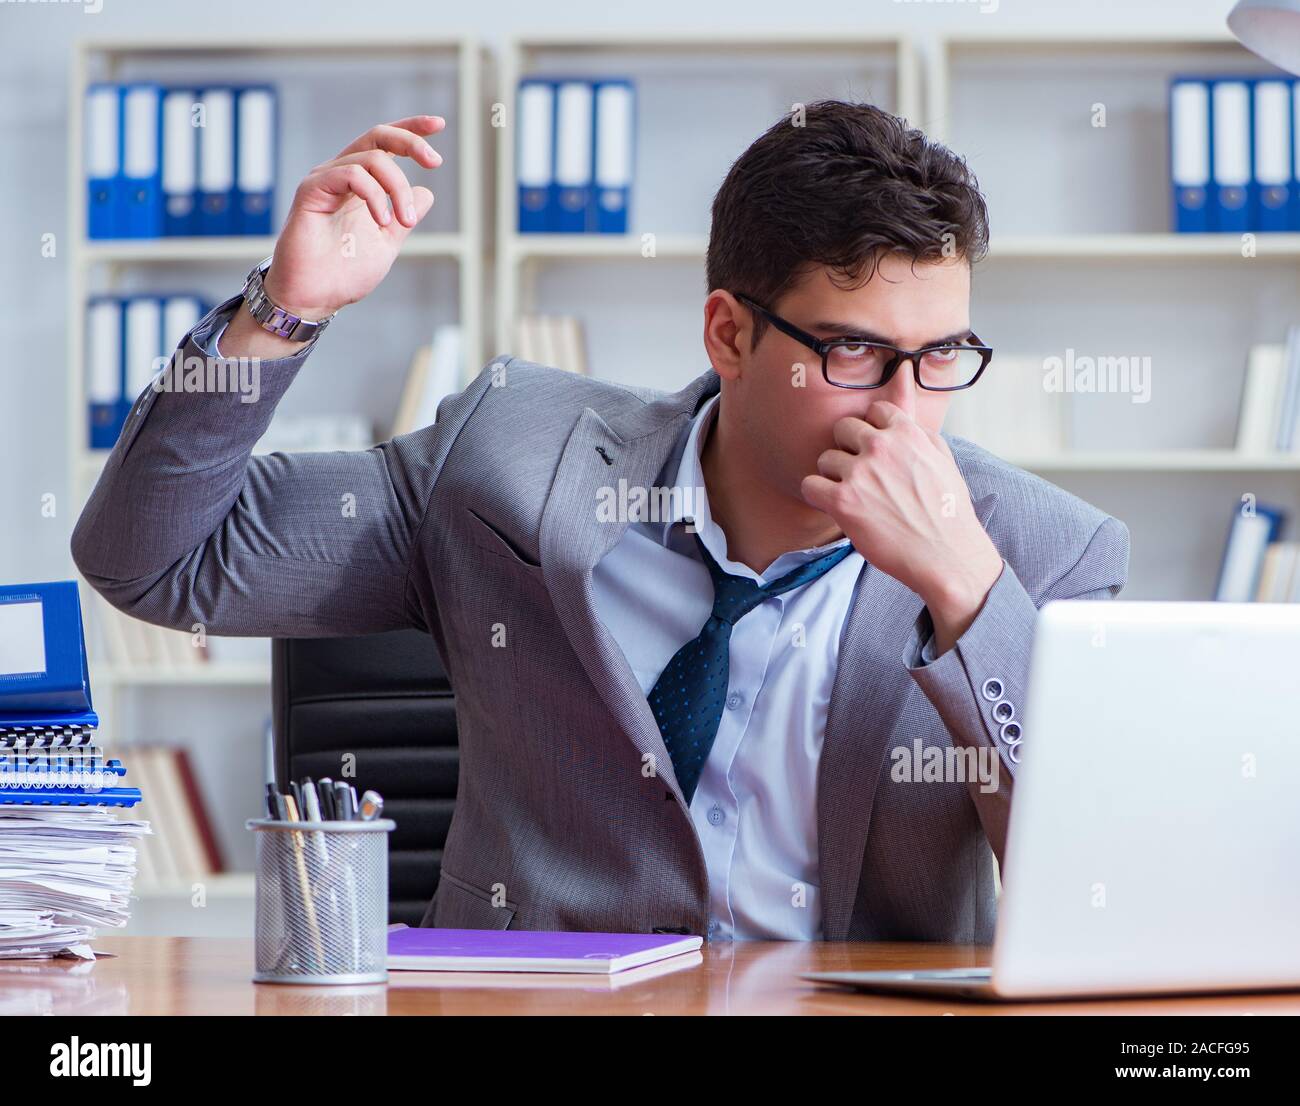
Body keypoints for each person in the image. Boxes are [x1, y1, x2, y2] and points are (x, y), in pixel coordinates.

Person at [72, 100, 1128, 942]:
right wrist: (283, 312)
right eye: (853, 353)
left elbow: (1100, 896)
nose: (904, 408)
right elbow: (150, 558)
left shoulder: (1037, 551)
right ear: (728, 332)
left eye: (941, 355)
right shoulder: (509, 463)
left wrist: (968, 594)